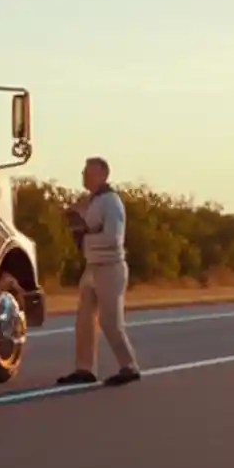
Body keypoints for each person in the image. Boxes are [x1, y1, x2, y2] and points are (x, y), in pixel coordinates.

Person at [56, 156, 141, 387]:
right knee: (84, 320)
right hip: (92, 266)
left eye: (89, 172)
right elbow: (78, 222)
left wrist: (84, 238)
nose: (84, 175)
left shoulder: (111, 202)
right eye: (84, 171)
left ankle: (129, 366)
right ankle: (84, 369)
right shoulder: (91, 201)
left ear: (103, 175)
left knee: (110, 321)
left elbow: (113, 238)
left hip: (110, 267)